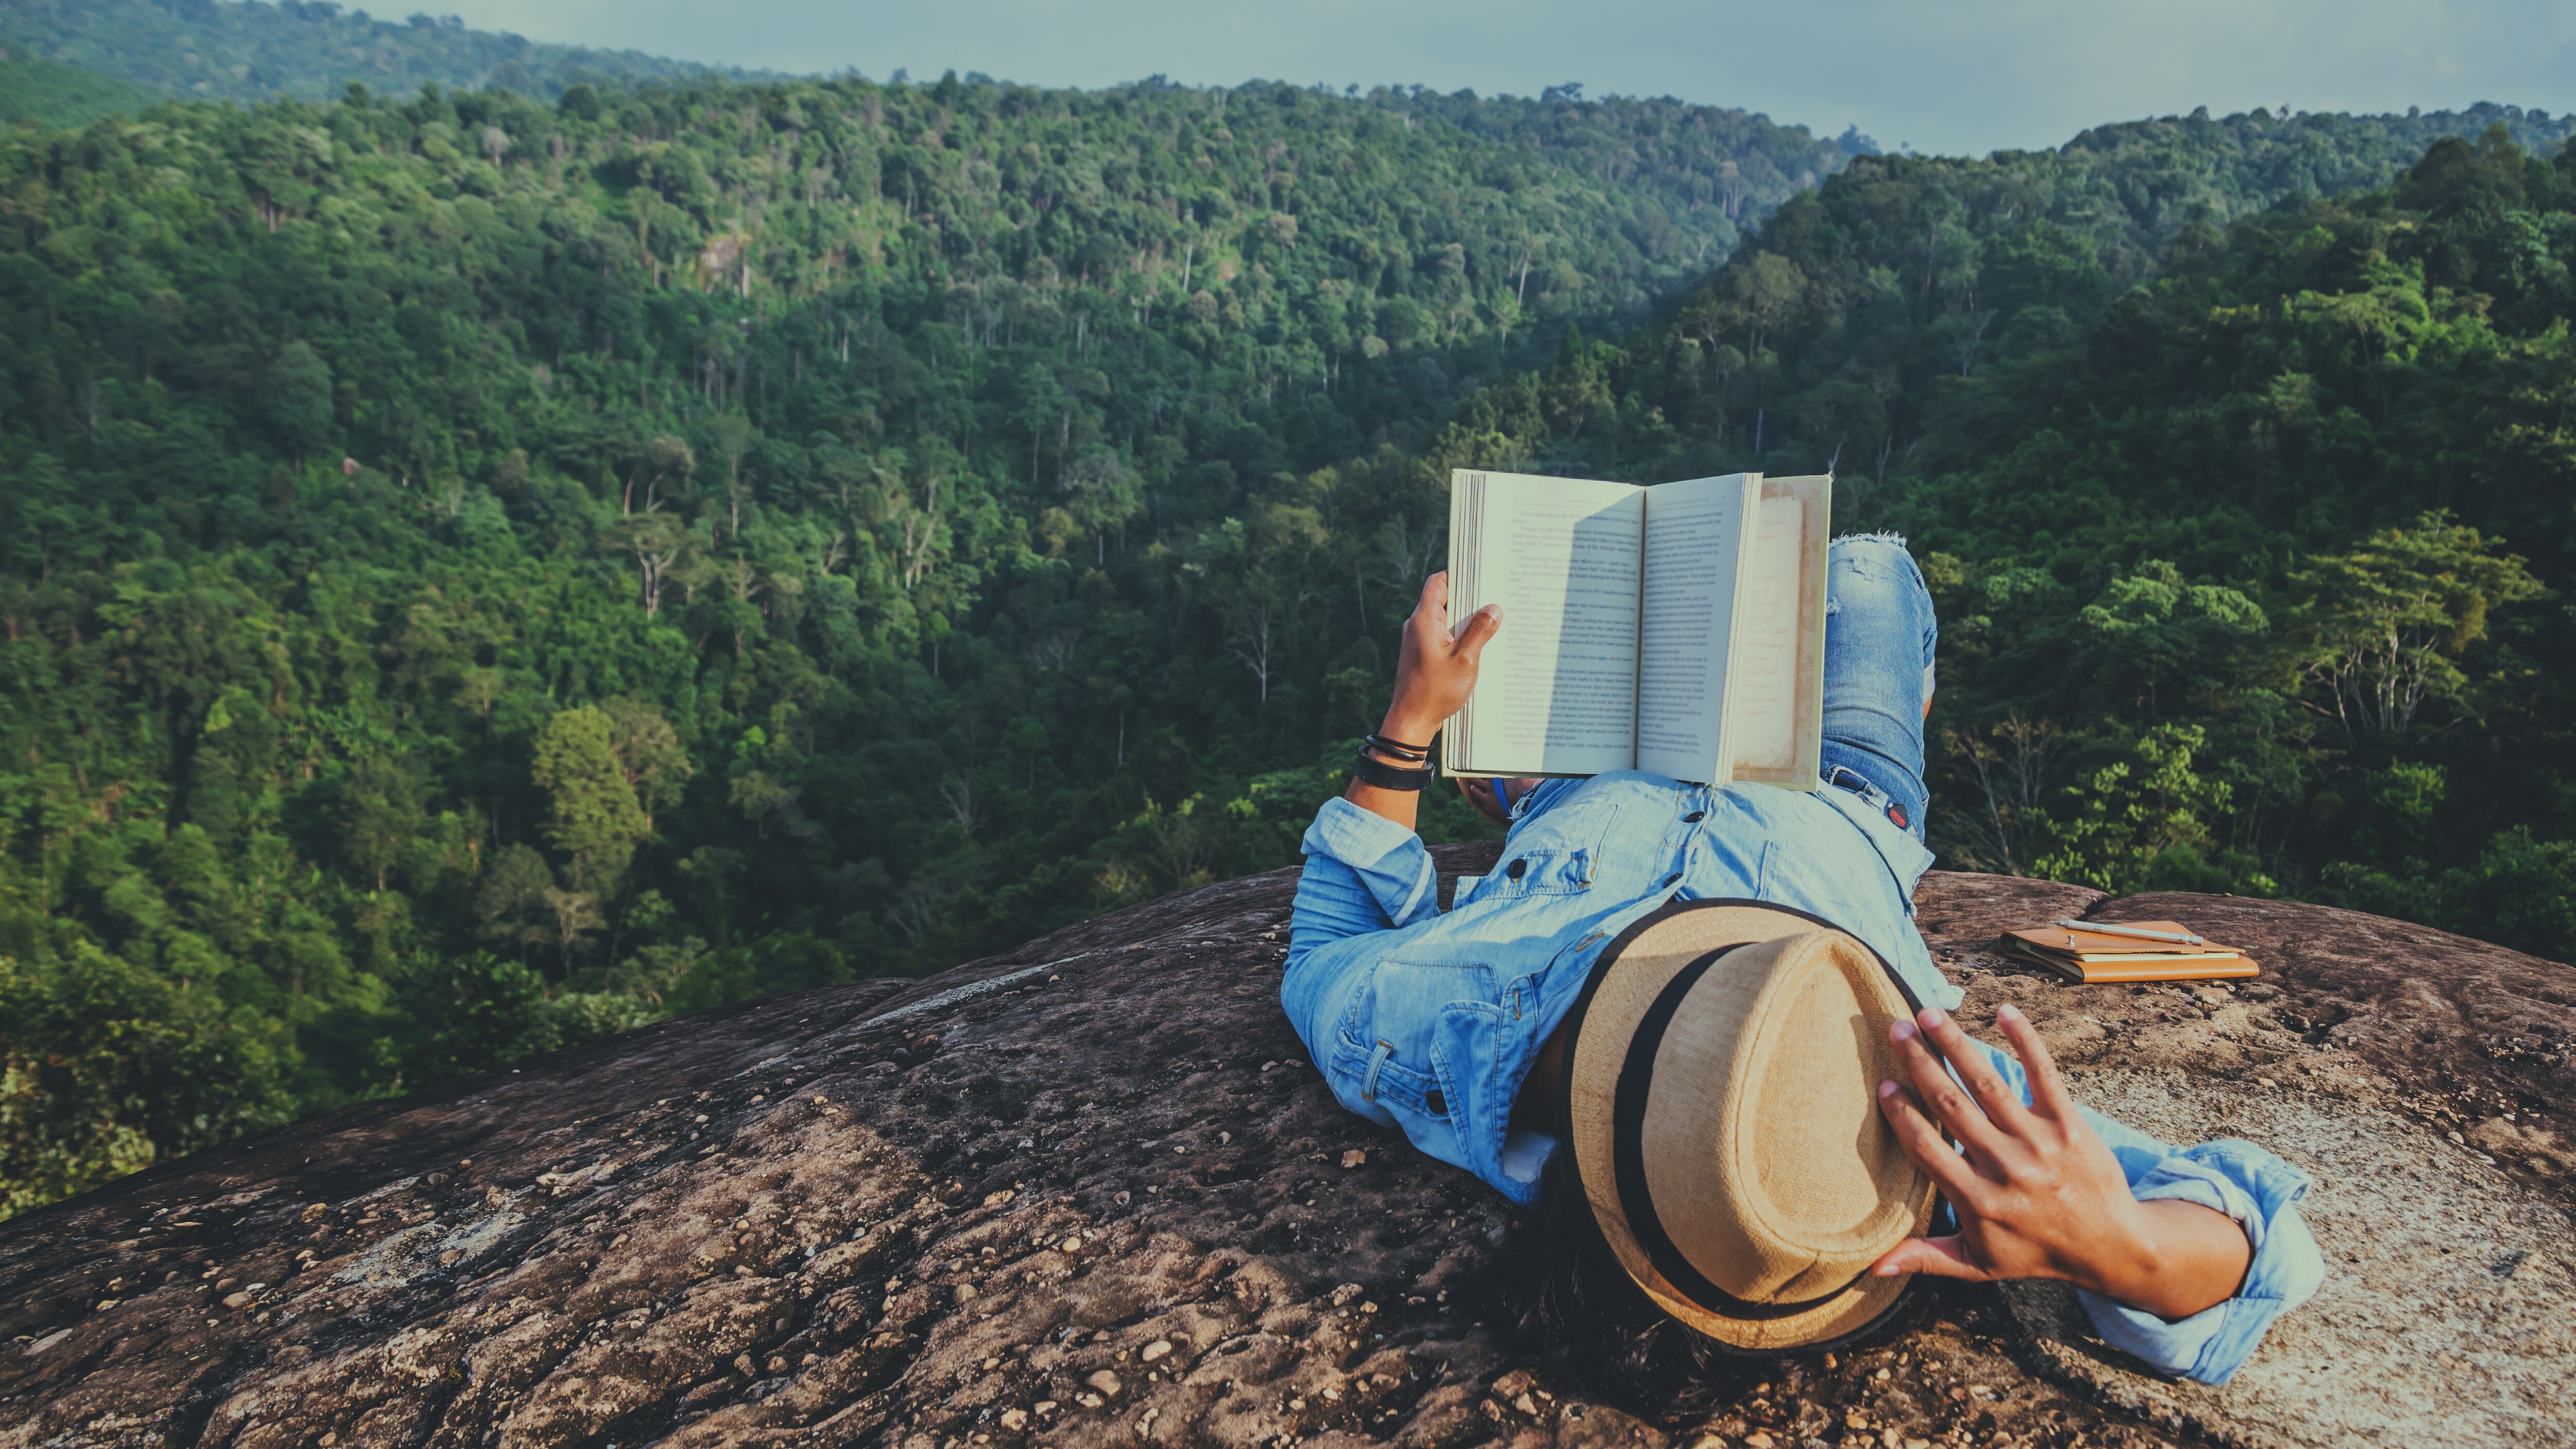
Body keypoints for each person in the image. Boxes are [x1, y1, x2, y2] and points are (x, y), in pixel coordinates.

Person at [1282, 535, 2324, 1384]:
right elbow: (2257, 1248)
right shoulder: (1871, 1104)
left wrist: (1411, 723)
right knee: (1868, 566)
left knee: (1560, 575)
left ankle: (1519, 790)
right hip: (1838, 786)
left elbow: (1325, 947)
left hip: (1594, 779)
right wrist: (2119, 1247)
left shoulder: (1458, 1027)